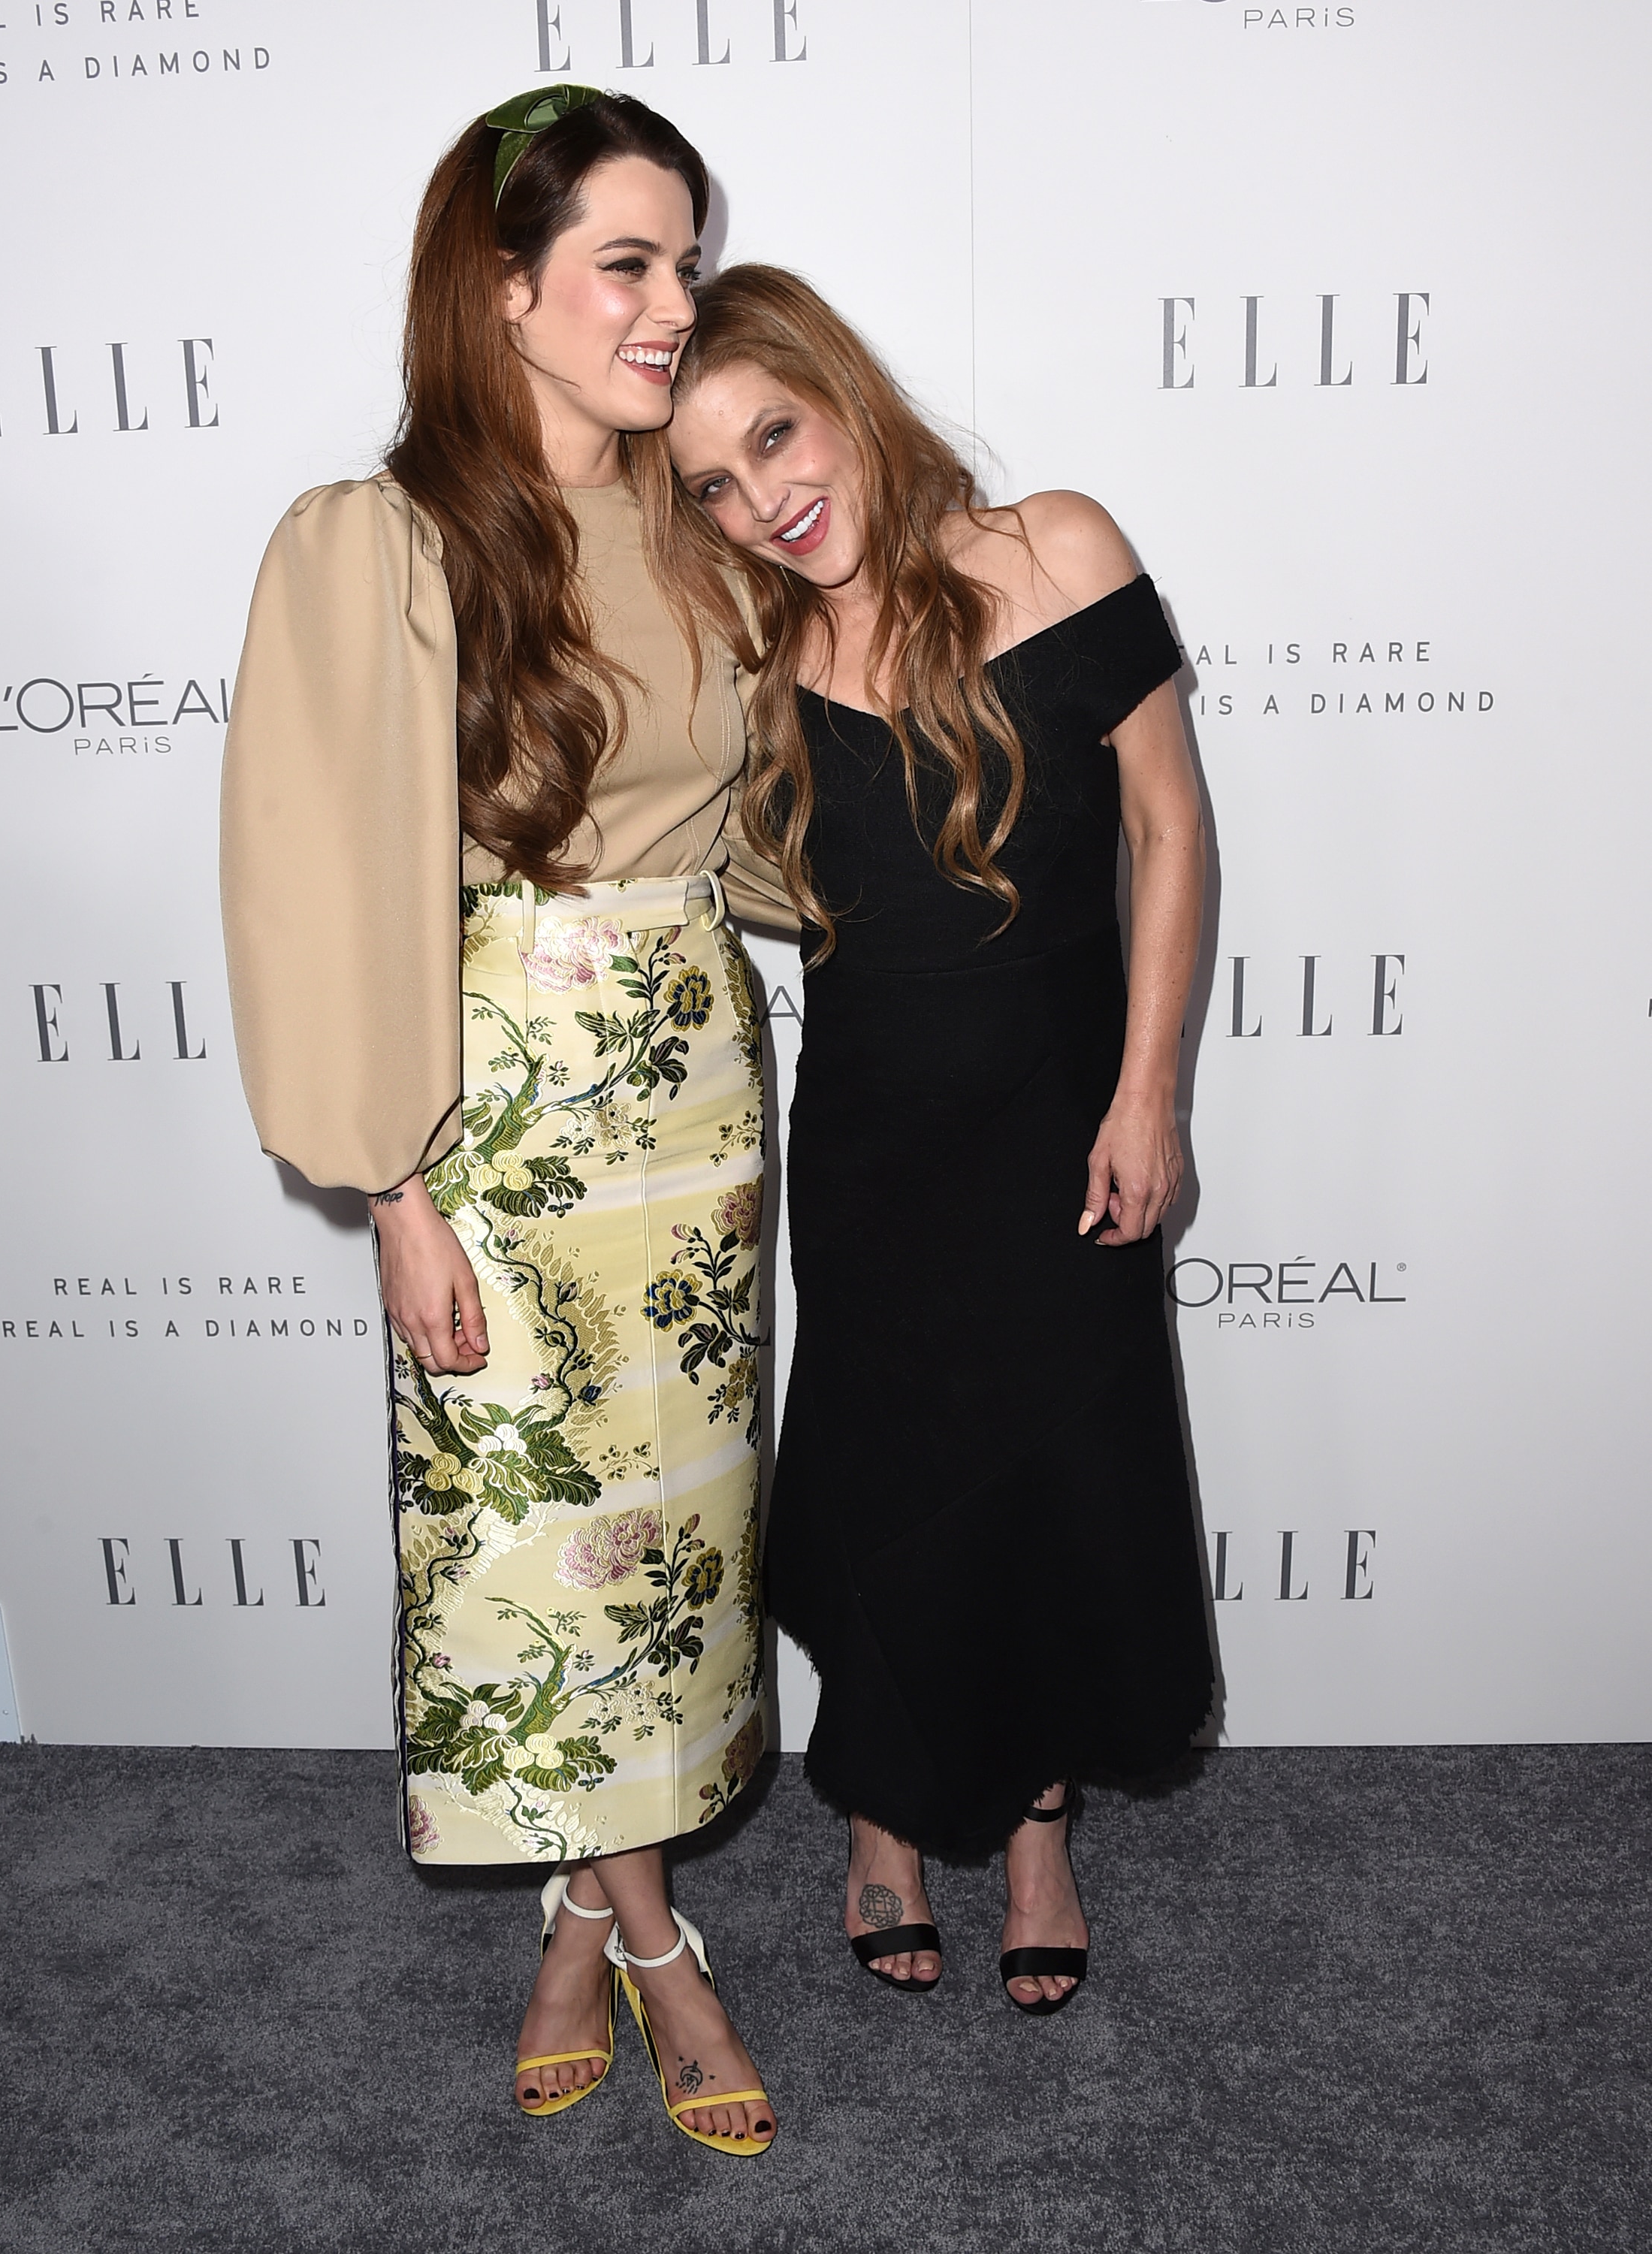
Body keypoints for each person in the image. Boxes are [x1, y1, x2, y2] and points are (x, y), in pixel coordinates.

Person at [220, 90, 792, 2152]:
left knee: (672, 1545)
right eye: (627, 264)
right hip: (501, 1116)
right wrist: (392, 1182)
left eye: (685, 260)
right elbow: (323, 874)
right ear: (502, 288)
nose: (671, 305)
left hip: (702, 1101)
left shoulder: (695, 522)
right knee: (534, 1549)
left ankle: (576, 1908)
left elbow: (759, 833)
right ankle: (656, 1955)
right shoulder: (379, 543)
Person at [664, 266, 1217, 2014]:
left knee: (1059, 1461)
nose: (765, 499)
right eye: (714, 486)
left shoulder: (1056, 546)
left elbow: (1172, 827)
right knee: (893, 1463)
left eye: (775, 435)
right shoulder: (760, 653)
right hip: (877, 1137)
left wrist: (1150, 1095)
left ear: (841, 393)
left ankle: (1039, 1825)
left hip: (1064, 1116)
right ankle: (885, 1816)